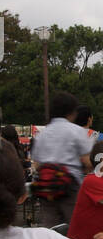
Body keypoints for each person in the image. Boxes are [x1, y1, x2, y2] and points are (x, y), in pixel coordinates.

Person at [27, 93, 93, 224]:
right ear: (72, 112)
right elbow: (87, 161)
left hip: (46, 188)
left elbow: (37, 165)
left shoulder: (42, 134)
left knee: (51, 229)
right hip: (70, 186)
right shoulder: (77, 131)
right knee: (74, 226)